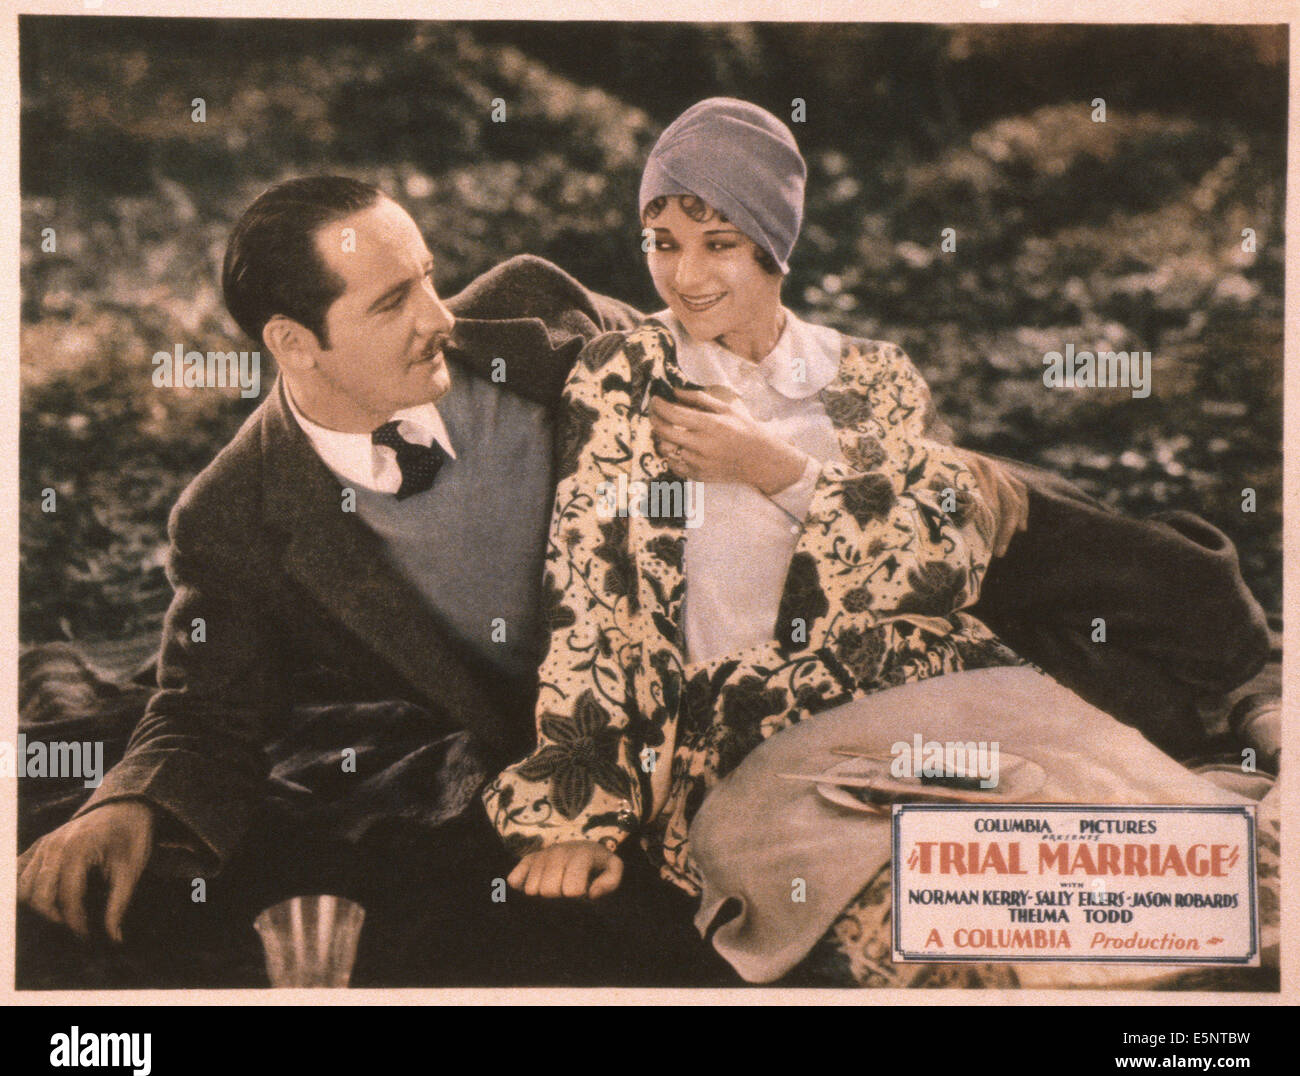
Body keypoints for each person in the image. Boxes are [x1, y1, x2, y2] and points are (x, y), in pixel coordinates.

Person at [483, 99, 1276, 985]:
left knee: (1187, 886)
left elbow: (939, 567)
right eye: (662, 241)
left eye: (719, 242)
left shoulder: (872, 374)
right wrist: (573, 816)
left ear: (774, 242)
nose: (686, 274)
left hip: (943, 691)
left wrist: (777, 470)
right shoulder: (626, 378)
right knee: (955, 936)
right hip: (756, 742)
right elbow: (592, 597)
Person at [16, 175, 736, 986]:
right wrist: (131, 802)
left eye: (428, 276)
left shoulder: (535, 304)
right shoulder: (232, 516)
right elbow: (208, 708)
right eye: (393, 303)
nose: (439, 317)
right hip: (583, 766)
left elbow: (717, 373)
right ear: (293, 343)